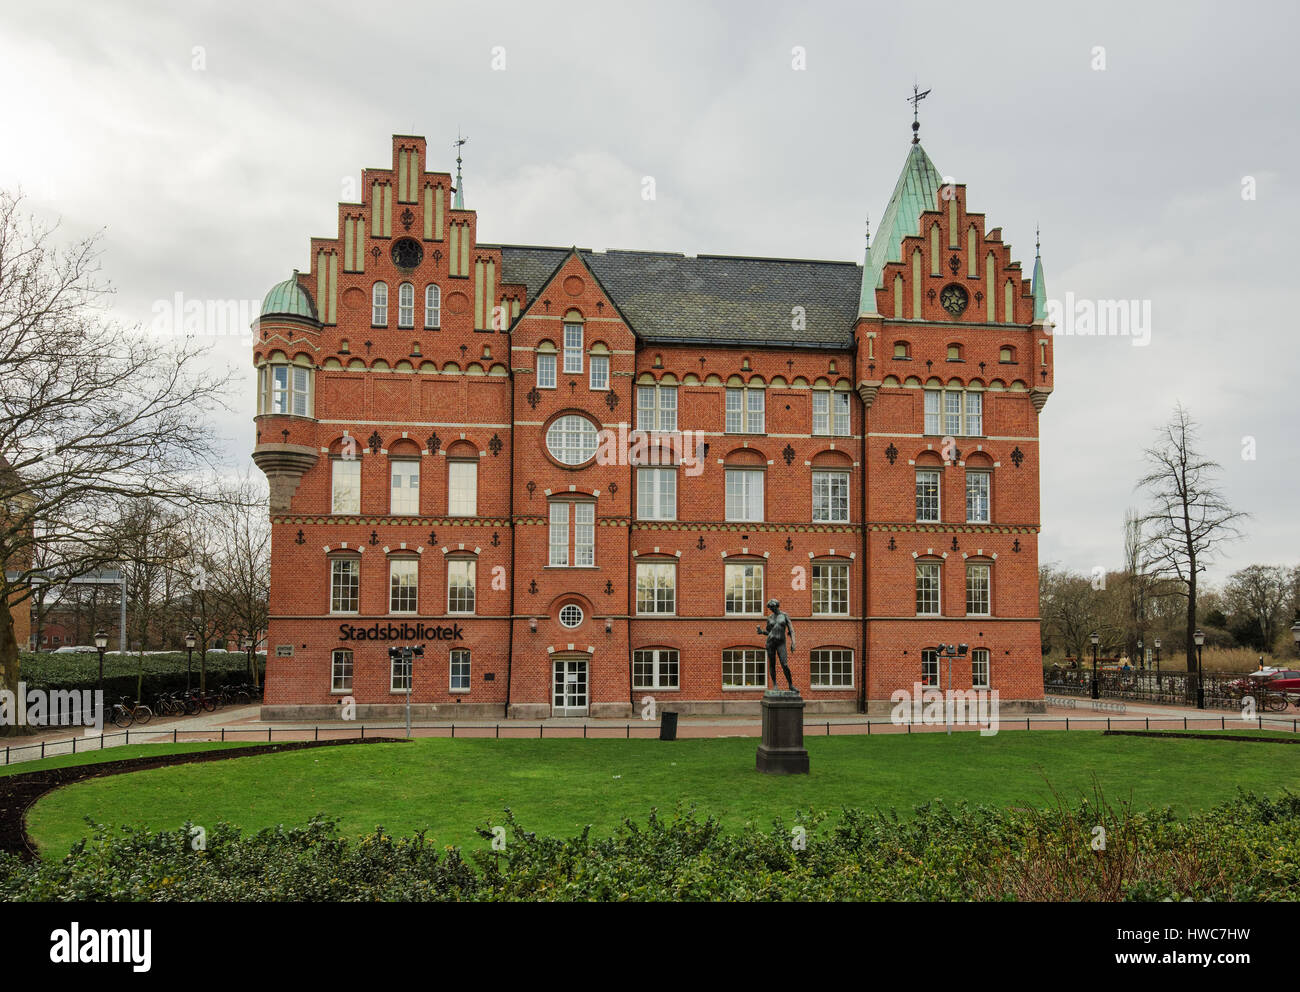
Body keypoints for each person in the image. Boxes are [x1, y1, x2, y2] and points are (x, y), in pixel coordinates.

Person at [756, 598, 796, 692]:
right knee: (772, 664)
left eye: (772, 607)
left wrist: (793, 642)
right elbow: (769, 632)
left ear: (777, 606)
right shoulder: (770, 618)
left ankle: (790, 685)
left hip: (781, 643)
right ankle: (775, 685)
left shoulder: (784, 615)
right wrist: (761, 632)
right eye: (770, 608)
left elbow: (791, 629)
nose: (771, 609)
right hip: (770, 643)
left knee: (784, 664)